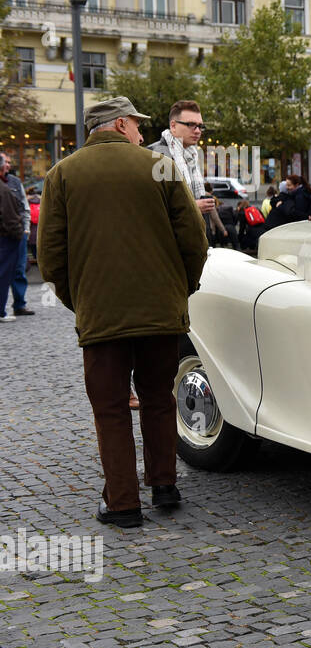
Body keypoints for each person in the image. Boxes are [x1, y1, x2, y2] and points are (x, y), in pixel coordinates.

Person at [37, 96, 208, 527]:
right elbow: (194, 240)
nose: (139, 133)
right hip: (160, 311)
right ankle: (165, 486)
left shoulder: (62, 175)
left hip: (102, 316)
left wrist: (81, 300)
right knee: (158, 397)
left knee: (110, 407)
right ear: (116, 126)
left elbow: (51, 258)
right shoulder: (160, 168)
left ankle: (123, 504)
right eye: (135, 125)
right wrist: (181, 289)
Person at [147, 99, 219, 225]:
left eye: (200, 126)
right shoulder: (156, 153)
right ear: (173, 125)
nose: (197, 131)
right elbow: (151, 206)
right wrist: (193, 207)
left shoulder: (191, 154)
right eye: (191, 125)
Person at [1, 152, 32, 318]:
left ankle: (20, 304)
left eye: (7, 162)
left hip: (18, 233)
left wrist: (26, 229)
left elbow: (24, 206)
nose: (7, 165)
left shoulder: (15, 182)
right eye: (4, 162)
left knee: (19, 270)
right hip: (4, 235)